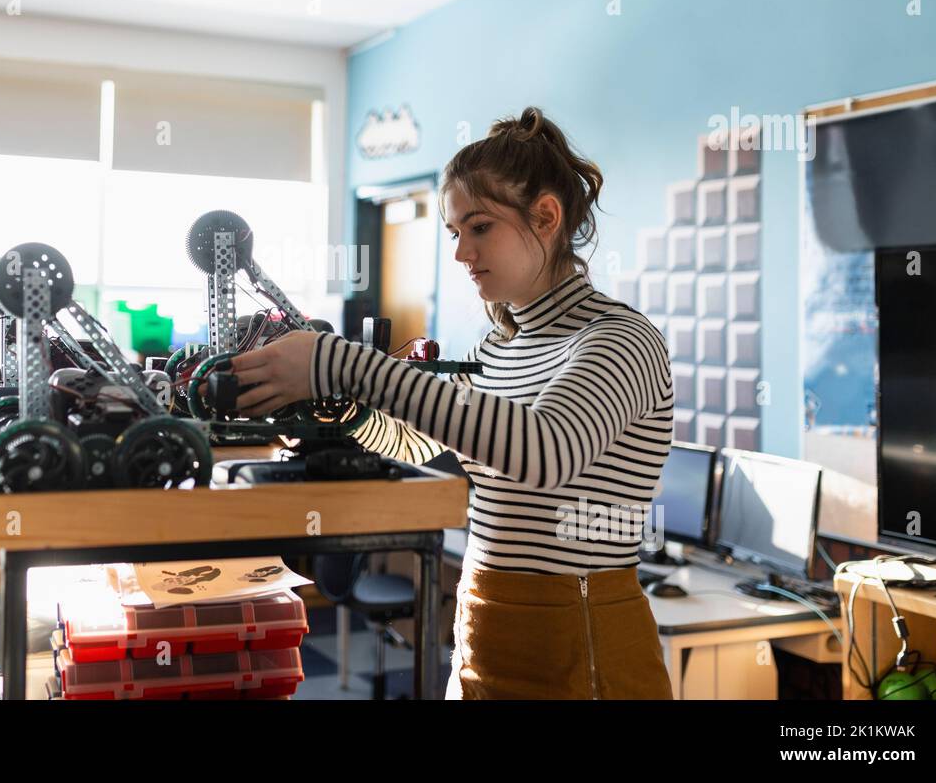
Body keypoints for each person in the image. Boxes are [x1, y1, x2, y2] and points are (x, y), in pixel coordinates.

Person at [229, 106, 675, 699]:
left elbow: (545, 451)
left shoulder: (620, 340)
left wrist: (343, 363)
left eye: (480, 227)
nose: (462, 253)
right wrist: (352, 412)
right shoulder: (499, 346)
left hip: (585, 647)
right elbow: (424, 440)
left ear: (545, 217)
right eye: (454, 233)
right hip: (485, 629)